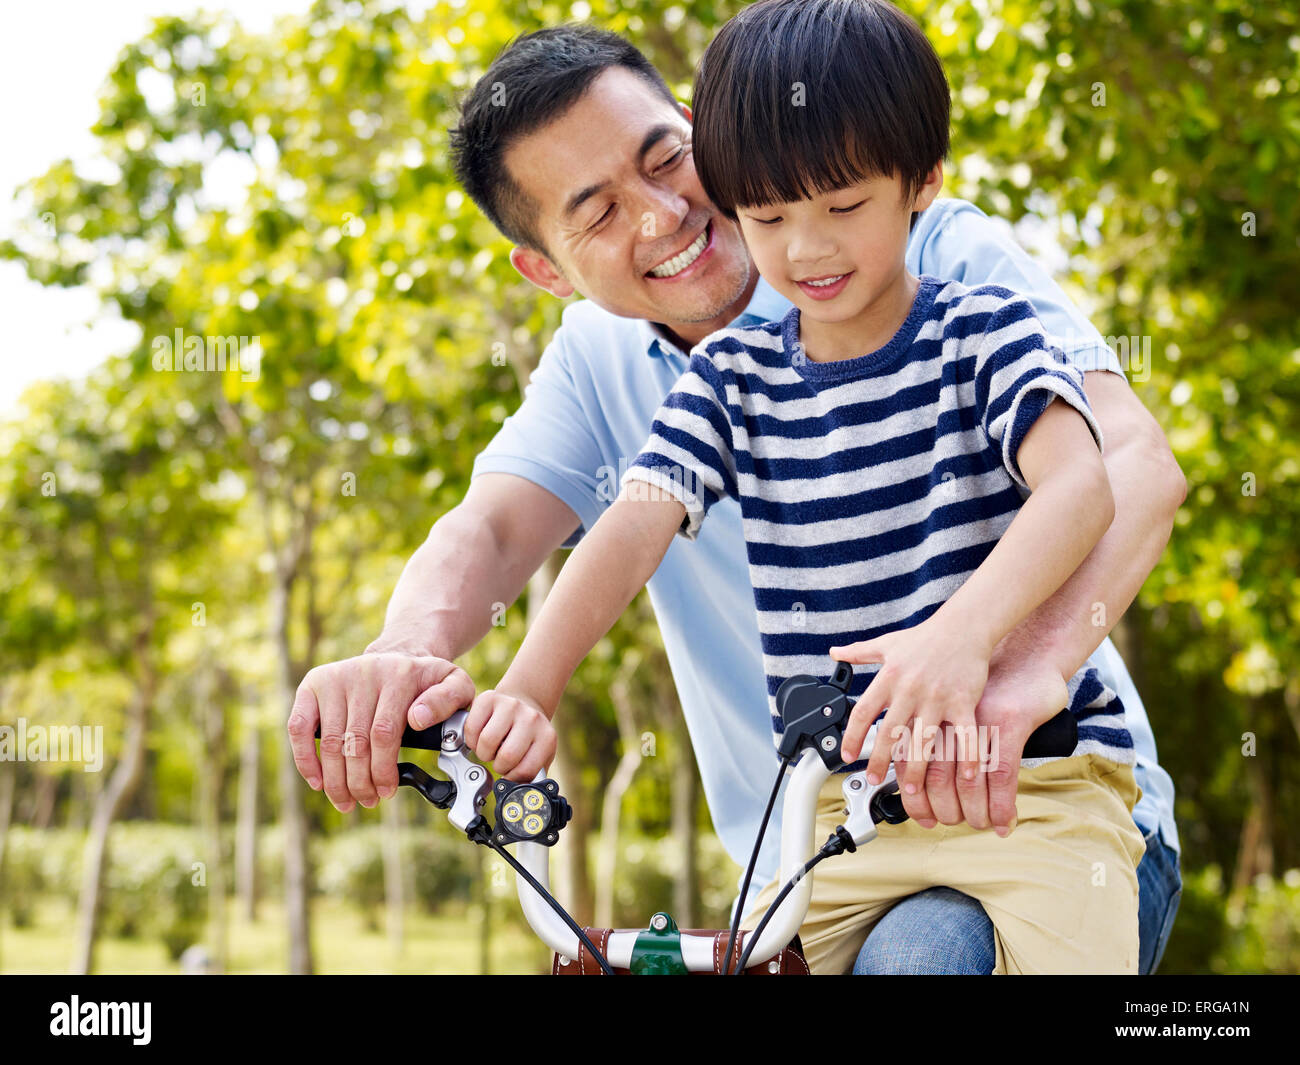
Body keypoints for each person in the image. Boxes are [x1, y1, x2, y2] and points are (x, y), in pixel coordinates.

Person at [287, 11, 1185, 973]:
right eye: (596, 211)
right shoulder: (645, 368)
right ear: (545, 270)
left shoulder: (932, 255)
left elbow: (1130, 467)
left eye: (665, 157)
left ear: (695, 125)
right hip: (817, 843)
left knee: (919, 957)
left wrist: (1010, 669)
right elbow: (497, 530)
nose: (662, 214)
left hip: (1038, 786)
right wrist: (417, 655)